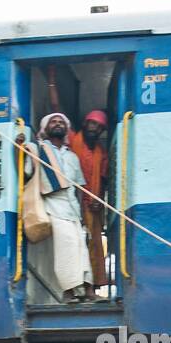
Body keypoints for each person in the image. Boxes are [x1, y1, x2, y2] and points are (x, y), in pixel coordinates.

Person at [18, 113, 92, 303]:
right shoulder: (38, 149)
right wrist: (19, 148)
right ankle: (68, 291)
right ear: (46, 127)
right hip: (53, 205)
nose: (58, 124)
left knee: (81, 247)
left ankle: (87, 289)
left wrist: (84, 219)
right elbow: (26, 171)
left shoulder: (72, 157)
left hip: (73, 209)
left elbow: (79, 189)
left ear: (66, 129)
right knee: (66, 246)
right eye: (54, 121)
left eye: (61, 122)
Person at [66, 109, 111, 290]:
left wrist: (98, 200)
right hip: (72, 203)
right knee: (73, 244)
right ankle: (73, 288)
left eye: (99, 127)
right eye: (93, 124)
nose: (95, 128)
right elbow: (56, 111)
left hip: (93, 206)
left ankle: (93, 286)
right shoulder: (71, 139)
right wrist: (52, 81)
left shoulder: (101, 151)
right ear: (85, 124)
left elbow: (103, 179)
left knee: (94, 245)